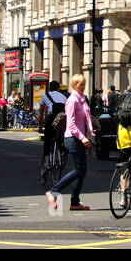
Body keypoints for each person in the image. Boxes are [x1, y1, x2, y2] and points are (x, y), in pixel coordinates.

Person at [47, 74, 96, 211]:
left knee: (82, 171)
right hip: (73, 138)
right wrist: (83, 137)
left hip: (80, 138)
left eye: (84, 84)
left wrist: (90, 132)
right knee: (78, 170)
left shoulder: (82, 100)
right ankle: (53, 192)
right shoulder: (73, 100)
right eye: (81, 84)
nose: (83, 87)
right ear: (74, 85)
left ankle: (75, 202)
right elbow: (71, 124)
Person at [39, 80, 69, 163]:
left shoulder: (45, 97)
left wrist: (41, 126)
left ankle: (46, 159)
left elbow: (41, 114)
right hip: (62, 119)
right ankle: (62, 150)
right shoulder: (64, 97)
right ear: (58, 88)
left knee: (47, 139)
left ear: (49, 88)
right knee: (60, 135)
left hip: (51, 118)